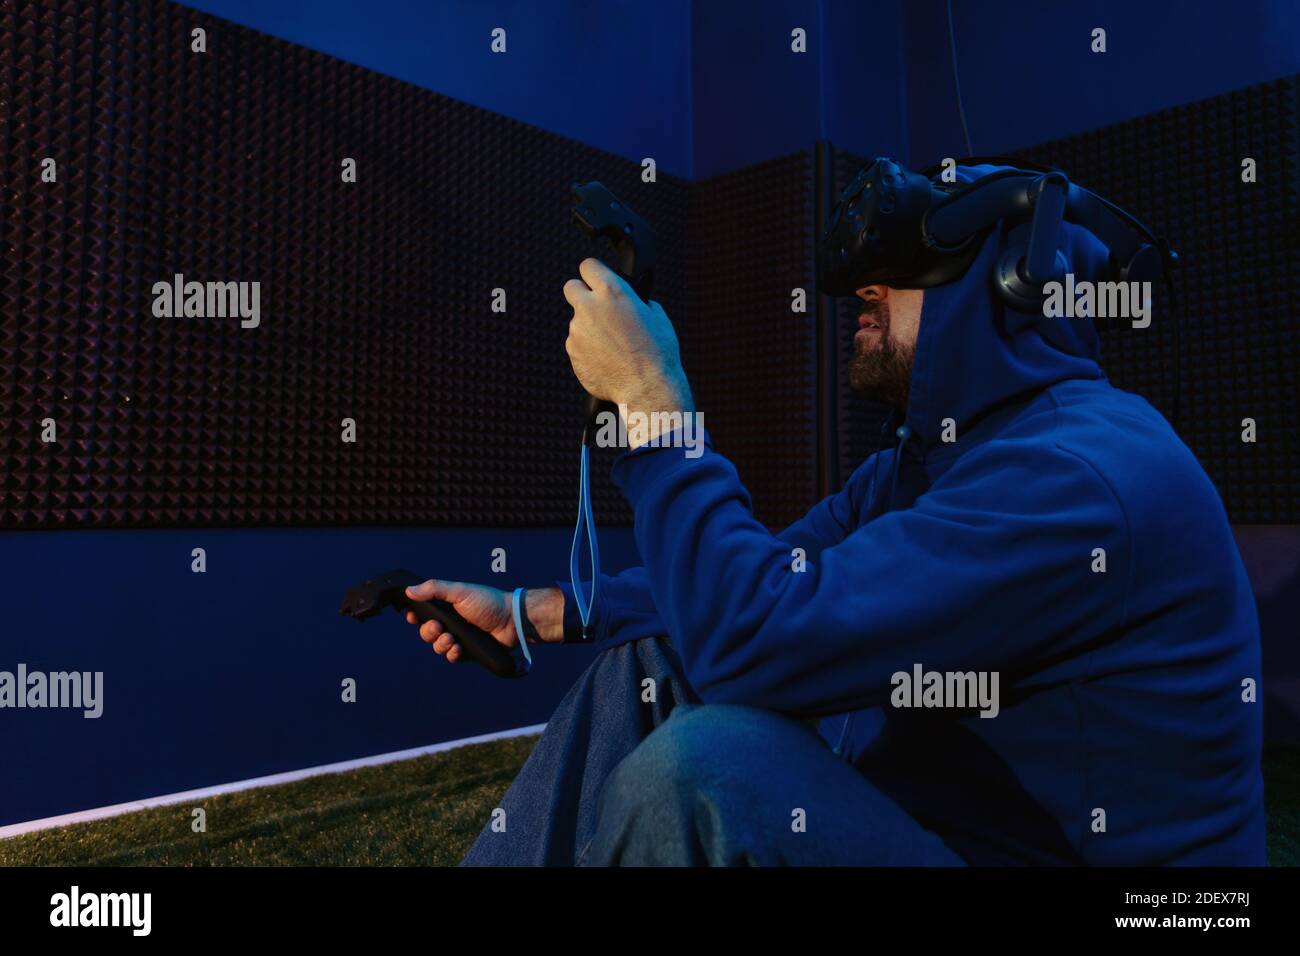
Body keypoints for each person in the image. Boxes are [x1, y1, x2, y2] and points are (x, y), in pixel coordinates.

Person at [407, 164, 1265, 866]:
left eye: (900, 272)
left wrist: (652, 402)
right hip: (938, 837)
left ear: (1012, 283)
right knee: (651, 667)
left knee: (709, 772)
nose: (863, 290)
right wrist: (533, 615)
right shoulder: (925, 465)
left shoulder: (1079, 475)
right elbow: (750, 588)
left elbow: (756, 638)